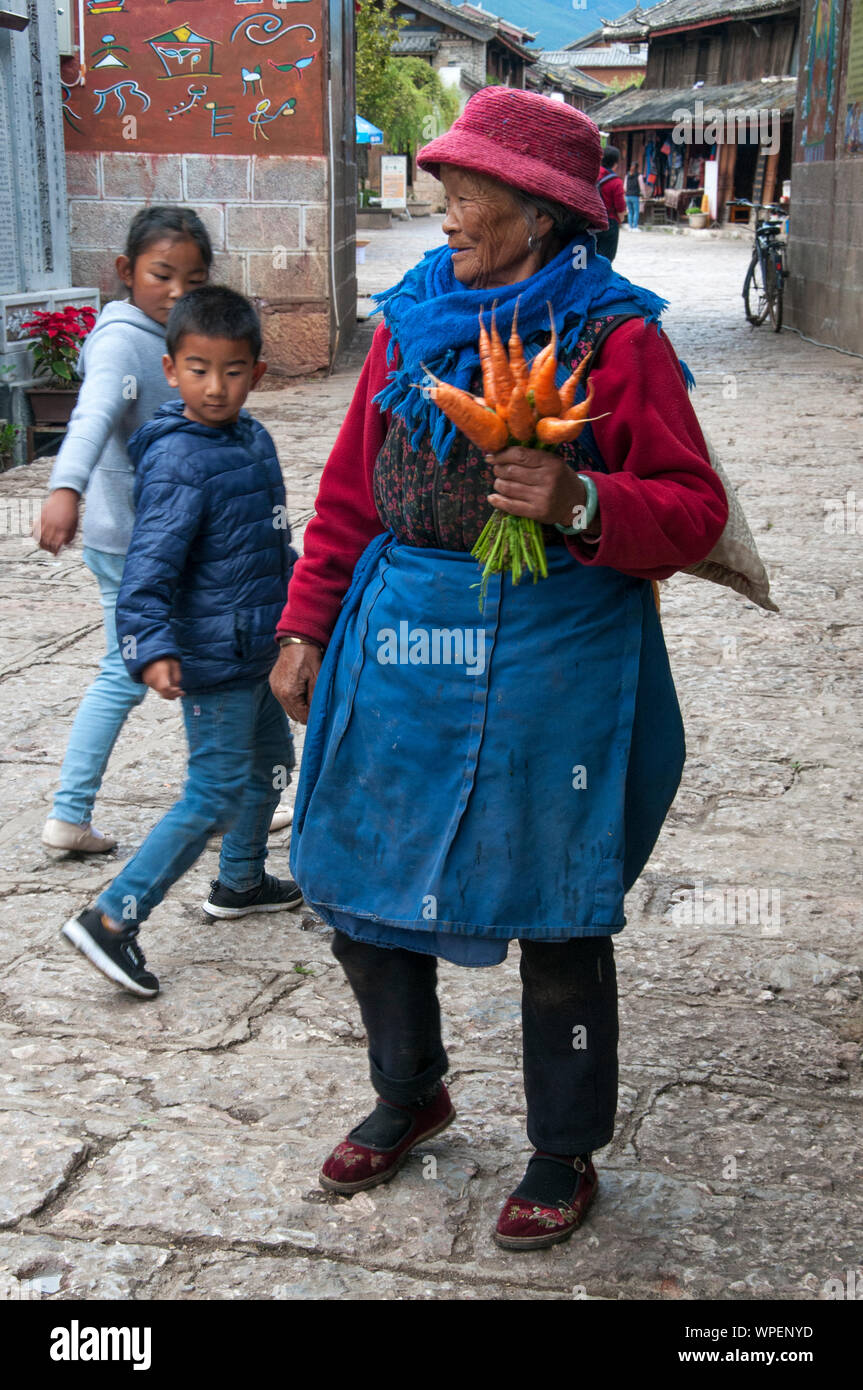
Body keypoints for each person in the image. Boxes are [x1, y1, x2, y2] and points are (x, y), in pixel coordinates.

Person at [269, 86, 728, 1250]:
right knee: (355, 877)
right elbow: (343, 495)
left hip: (555, 648)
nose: (447, 208)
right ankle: (408, 1088)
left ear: (541, 211)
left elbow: (689, 508)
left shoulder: (614, 338)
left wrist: (579, 496)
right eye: (447, 185)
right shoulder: (412, 320)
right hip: (405, 634)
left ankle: (561, 1149)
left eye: (471, 189)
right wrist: (306, 624)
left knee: (558, 910)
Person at [61, 287, 302, 1000]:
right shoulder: (177, 461)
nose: (215, 386)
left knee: (270, 767)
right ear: (169, 369)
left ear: (256, 373)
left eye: (231, 371)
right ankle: (112, 918)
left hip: (256, 645)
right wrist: (149, 645)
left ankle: (240, 879)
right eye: (198, 369)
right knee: (216, 791)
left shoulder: (252, 441)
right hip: (211, 660)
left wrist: (299, 617)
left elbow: (271, 542)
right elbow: (148, 565)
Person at [37, 206, 212, 855]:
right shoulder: (120, 340)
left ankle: (219, 789)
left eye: (193, 280)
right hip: (133, 546)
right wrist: (65, 488)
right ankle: (69, 812)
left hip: (163, 538)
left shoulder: (169, 332)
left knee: (197, 656)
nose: (177, 292)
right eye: (162, 275)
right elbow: (90, 417)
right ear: (124, 271)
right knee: (125, 669)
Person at [595, 146, 626, 262]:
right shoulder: (616, 182)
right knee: (606, 259)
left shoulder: (593, 175)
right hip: (609, 222)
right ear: (616, 163)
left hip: (591, 221)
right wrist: (621, 219)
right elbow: (620, 207)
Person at [625, 163, 642, 231]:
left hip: (627, 196)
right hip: (635, 195)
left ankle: (630, 227)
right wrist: (644, 194)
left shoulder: (627, 176)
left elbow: (624, 187)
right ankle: (635, 227)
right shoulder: (639, 176)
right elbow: (642, 187)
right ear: (637, 168)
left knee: (630, 211)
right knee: (636, 211)